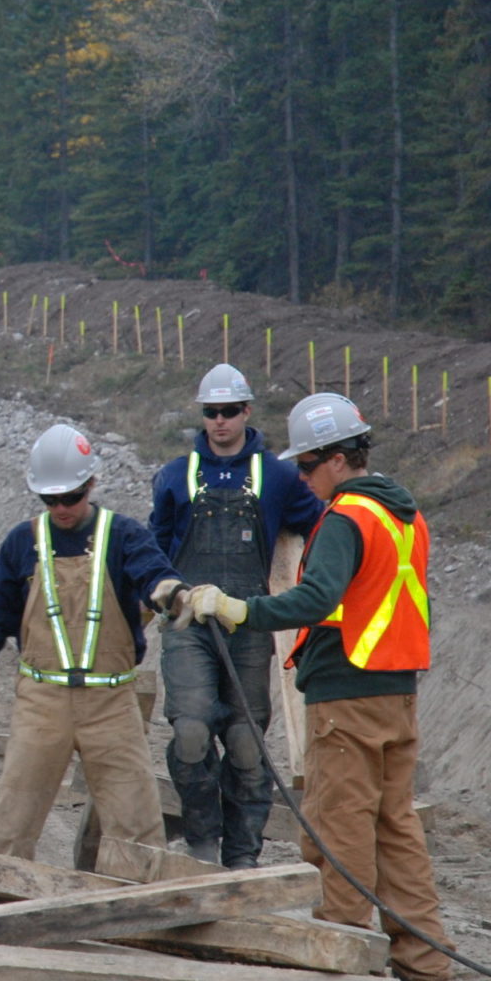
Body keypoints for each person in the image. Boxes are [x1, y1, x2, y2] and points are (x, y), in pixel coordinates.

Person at [182, 393, 452, 981]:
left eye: (307, 466)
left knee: (339, 824)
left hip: (347, 694)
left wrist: (239, 609)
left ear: (336, 459)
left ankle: (342, 952)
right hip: (396, 691)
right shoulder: (404, 516)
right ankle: (424, 962)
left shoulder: (347, 517)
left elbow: (317, 597)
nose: (303, 479)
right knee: (396, 827)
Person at [0, 424, 186, 862]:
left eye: (70, 497)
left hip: (111, 704)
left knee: (136, 825)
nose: (60, 508)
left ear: (91, 484)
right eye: (49, 499)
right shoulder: (22, 542)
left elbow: (152, 571)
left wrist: (170, 590)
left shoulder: (124, 535)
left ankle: (137, 900)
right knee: (10, 823)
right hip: (42, 701)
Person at [148, 364, 324, 868]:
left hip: (249, 622)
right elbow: (155, 548)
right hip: (187, 625)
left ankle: (242, 854)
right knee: (191, 733)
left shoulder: (279, 476)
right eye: (211, 412)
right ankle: (202, 842)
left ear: (247, 411)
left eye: (228, 411)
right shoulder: (174, 476)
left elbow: (322, 528)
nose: (219, 421)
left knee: (246, 744)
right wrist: (161, 591)